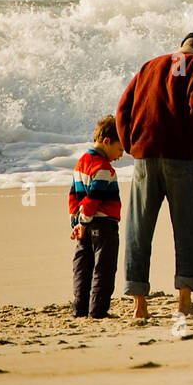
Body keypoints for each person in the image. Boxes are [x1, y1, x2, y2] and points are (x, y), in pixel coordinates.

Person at [116, 32, 193, 320]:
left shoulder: (149, 65)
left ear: (183, 45)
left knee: (139, 228)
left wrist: (130, 144)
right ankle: (184, 302)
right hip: (182, 157)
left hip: (145, 156)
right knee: (186, 227)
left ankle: (139, 305)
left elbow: (123, 109)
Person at [68, 115, 124, 319]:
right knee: (104, 268)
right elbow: (94, 197)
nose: (121, 155)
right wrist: (84, 219)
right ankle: (98, 310)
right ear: (107, 142)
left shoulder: (80, 164)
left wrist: (75, 222)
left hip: (84, 225)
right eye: (120, 149)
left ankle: (79, 308)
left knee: (83, 266)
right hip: (104, 224)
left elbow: (73, 195)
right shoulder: (103, 168)